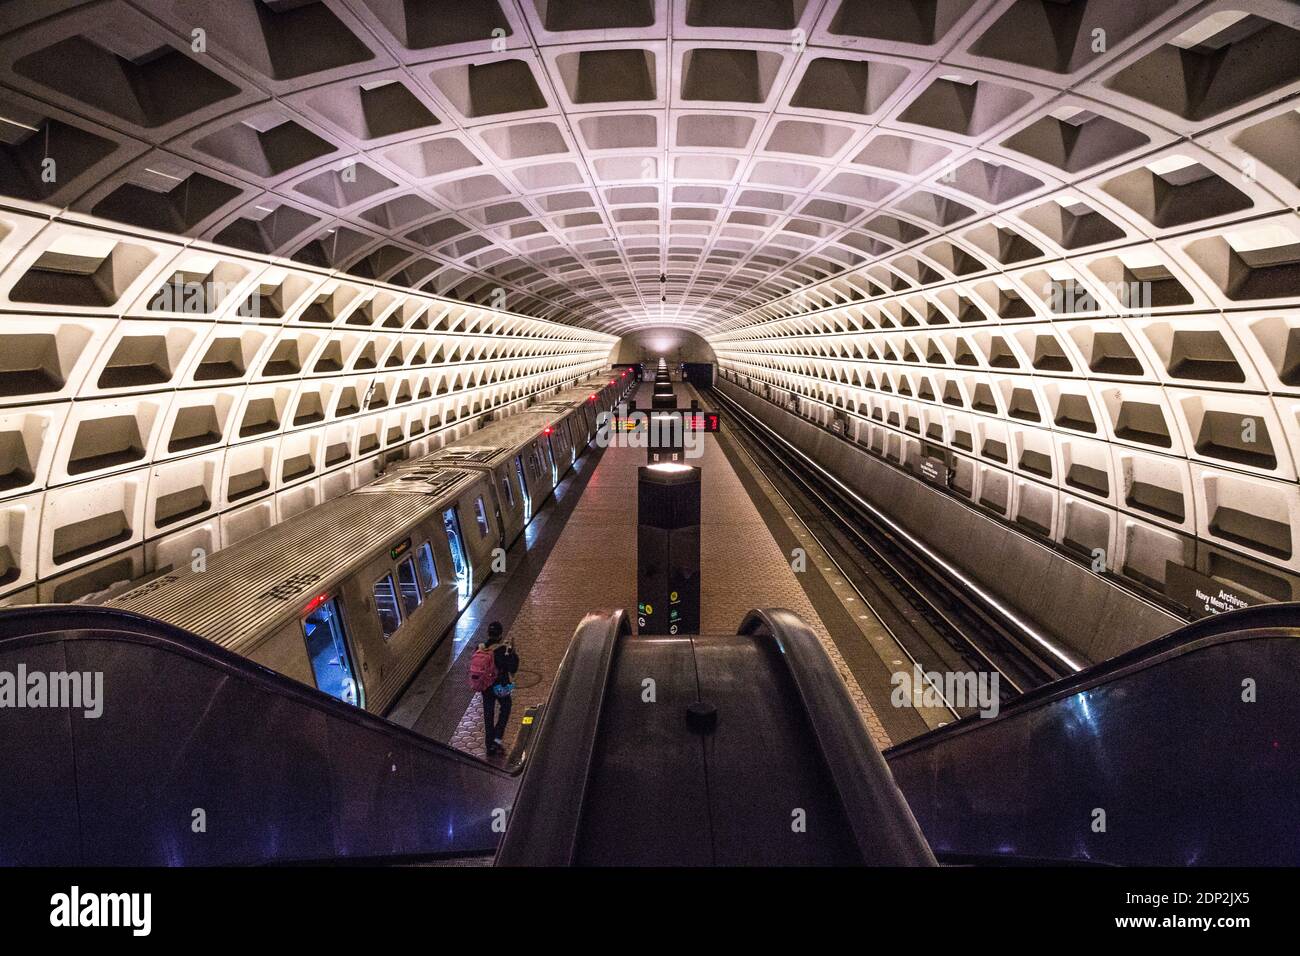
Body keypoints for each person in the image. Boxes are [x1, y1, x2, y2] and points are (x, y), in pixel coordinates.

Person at [470, 621, 518, 756]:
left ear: (488, 634)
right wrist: (512, 653)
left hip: (485, 686)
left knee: (488, 714)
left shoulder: (480, 648)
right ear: (501, 635)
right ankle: (497, 738)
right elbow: (513, 668)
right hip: (500, 686)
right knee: (506, 706)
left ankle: (489, 744)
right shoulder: (503, 650)